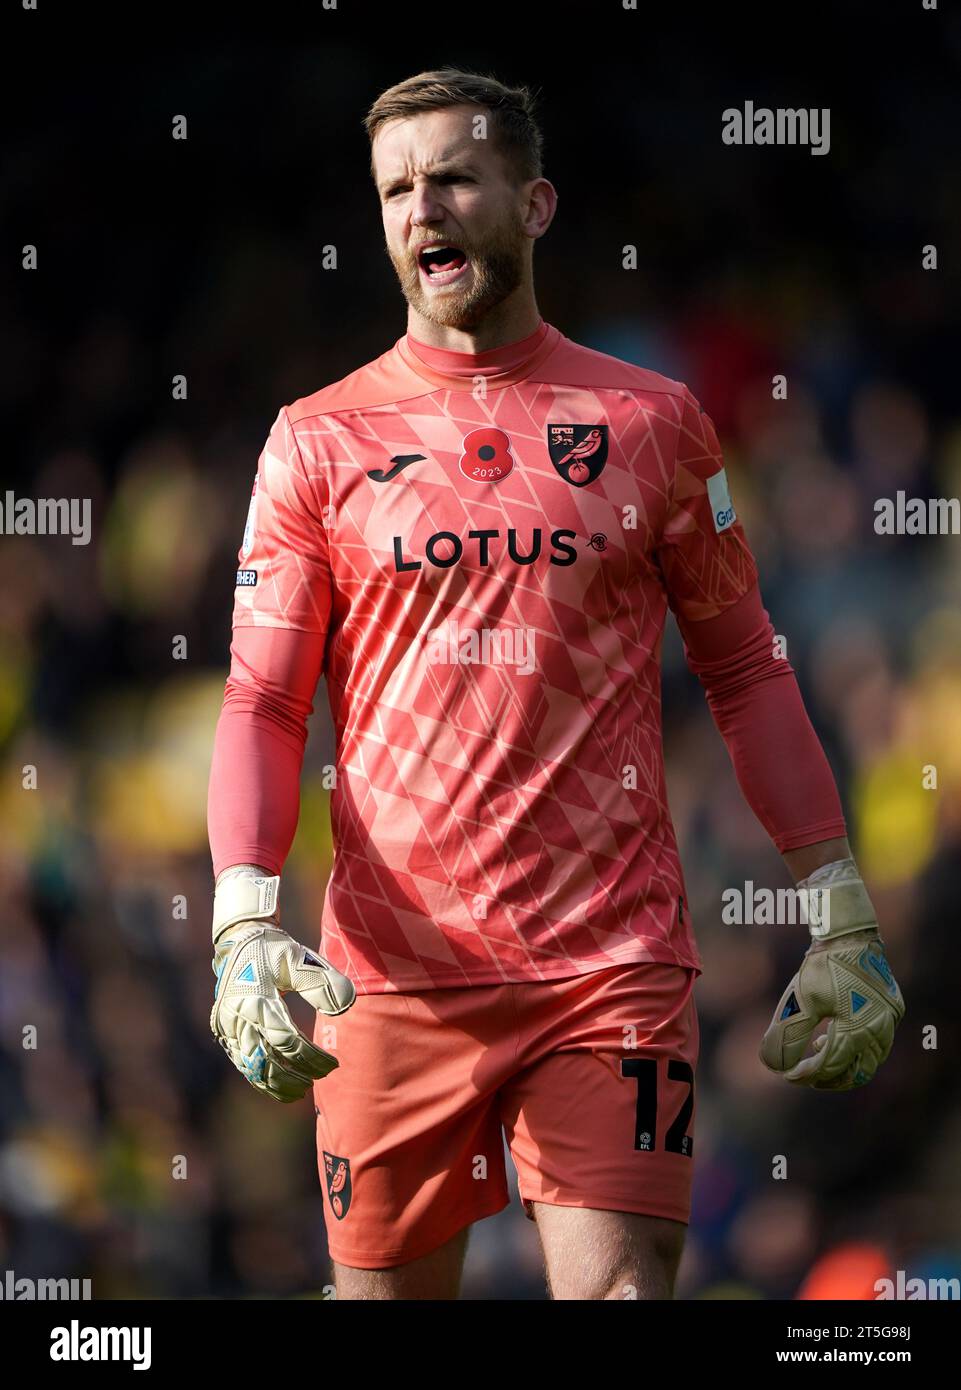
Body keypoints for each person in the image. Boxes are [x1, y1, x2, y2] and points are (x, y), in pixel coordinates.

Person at [206, 67, 904, 1301]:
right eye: (396, 190)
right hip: (391, 971)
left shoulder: (652, 422)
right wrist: (242, 919)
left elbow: (745, 668)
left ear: (534, 204)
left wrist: (836, 900)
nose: (423, 210)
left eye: (453, 178)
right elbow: (263, 700)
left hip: (607, 963)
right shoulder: (316, 440)